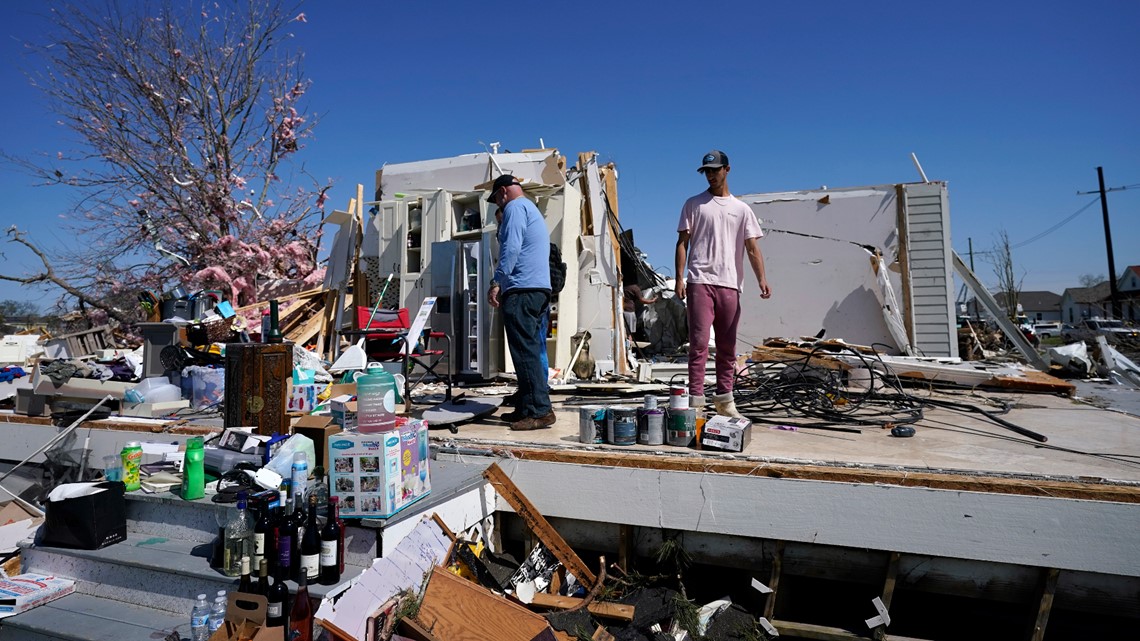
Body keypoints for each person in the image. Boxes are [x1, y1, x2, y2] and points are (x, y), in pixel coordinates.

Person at [675, 150, 771, 418]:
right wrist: (680, 277)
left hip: (730, 284)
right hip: (699, 281)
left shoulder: (742, 209)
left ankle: (725, 401)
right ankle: (696, 401)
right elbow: (682, 243)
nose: (711, 175)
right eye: (706, 171)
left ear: (727, 170)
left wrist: (761, 278)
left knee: (728, 346)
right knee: (699, 344)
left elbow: (752, 248)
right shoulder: (693, 204)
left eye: (715, 170)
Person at [487, 174, 556, 431]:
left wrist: (497, 281)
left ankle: (539, 410)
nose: (498, 205)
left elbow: (512, 247)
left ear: (503, 191)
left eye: (496, 198)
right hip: (537, 288)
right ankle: (527, 407)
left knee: (524, 351)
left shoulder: (515, 207)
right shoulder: (530, 208)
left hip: (522, 289)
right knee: (528, 350)